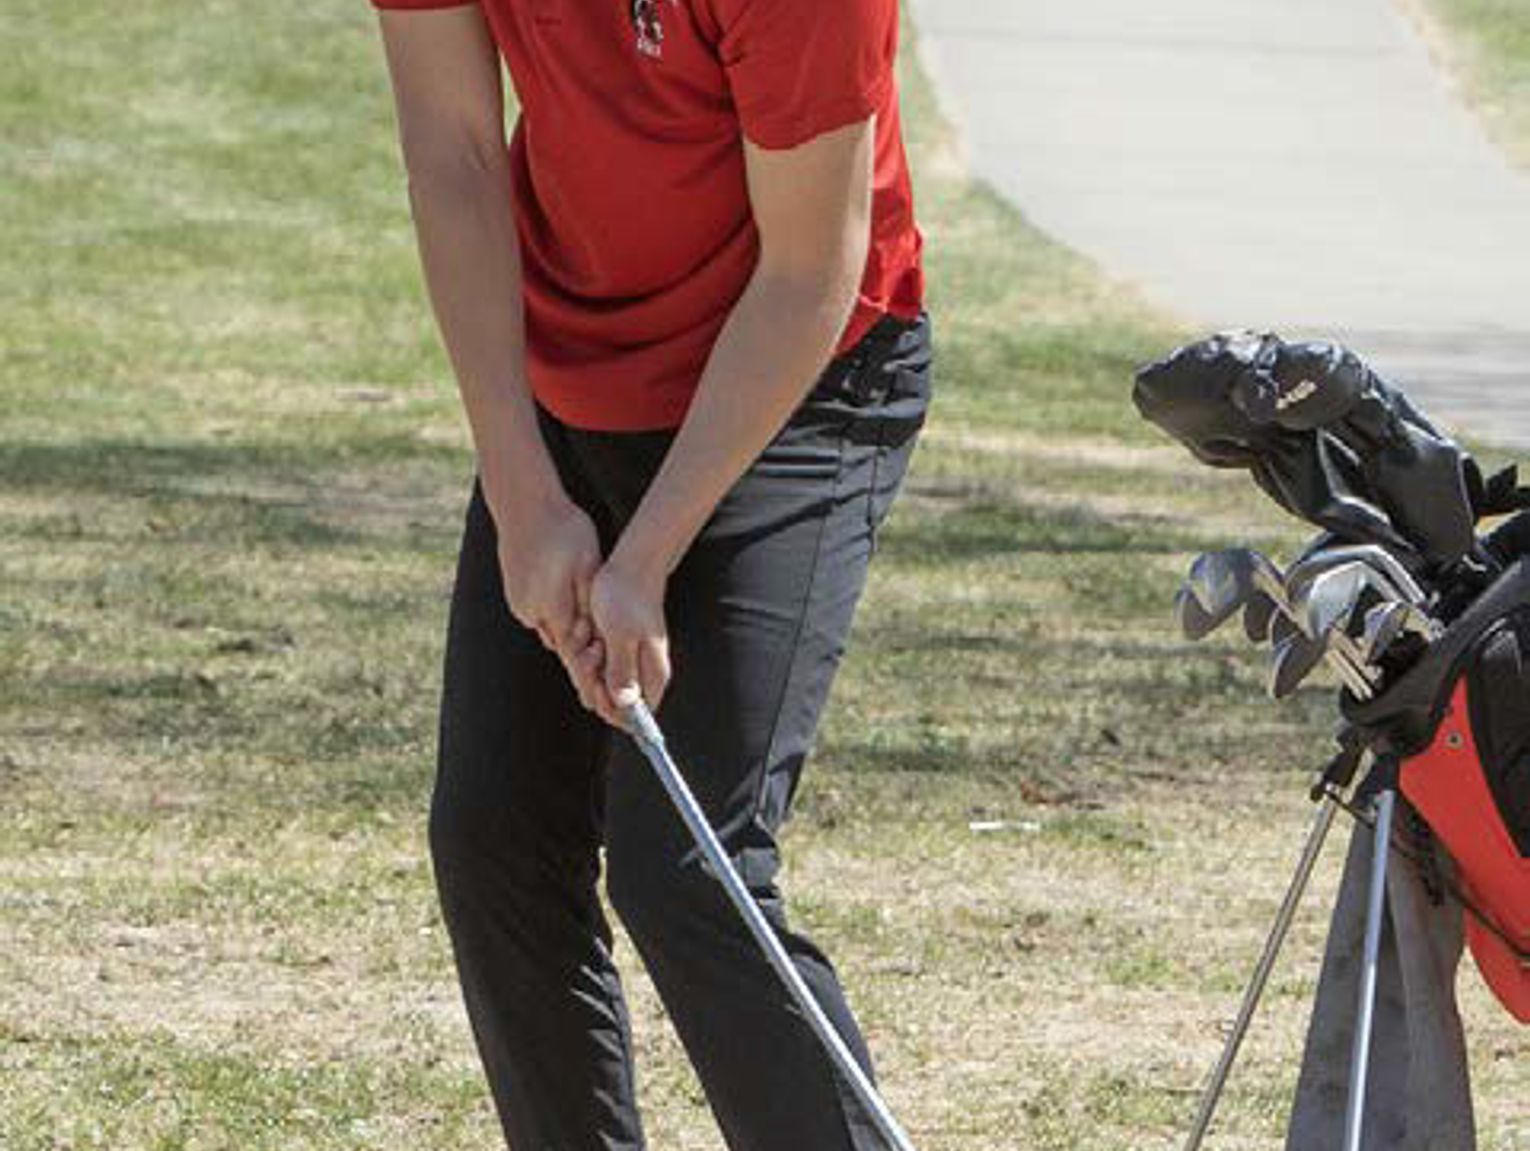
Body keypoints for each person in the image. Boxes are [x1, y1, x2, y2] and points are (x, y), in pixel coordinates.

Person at [371, 1, 929, 1147]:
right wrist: (526, 494)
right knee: (494, 839)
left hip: (800, 384)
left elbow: (808, 272)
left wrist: (648, 555)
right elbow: (454, 149)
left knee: (691, 864)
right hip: (573, 379)